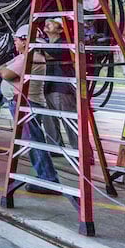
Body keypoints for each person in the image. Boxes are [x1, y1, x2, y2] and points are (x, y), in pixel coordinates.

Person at [0, 24, 61, 195]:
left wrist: (2, 68)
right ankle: (46, 176)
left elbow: (5, 73)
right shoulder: (30, 56)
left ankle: (48, 178)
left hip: (26, 105)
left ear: (26, 41)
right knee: (32, 141)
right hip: (26, 104)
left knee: (34, 142)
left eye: (17, 40)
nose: (15, 43)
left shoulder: (29, 57)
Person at [41, 17, 78, 150]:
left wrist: (38, 42)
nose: (47, 23)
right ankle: (54, 147)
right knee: (49, 119)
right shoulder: (44, 43)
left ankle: (80, 149)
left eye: (51, 23)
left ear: (60, 30)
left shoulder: (64, 44)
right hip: (47, 86)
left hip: (61, 87)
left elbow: (52, 54)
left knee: (69, 120)